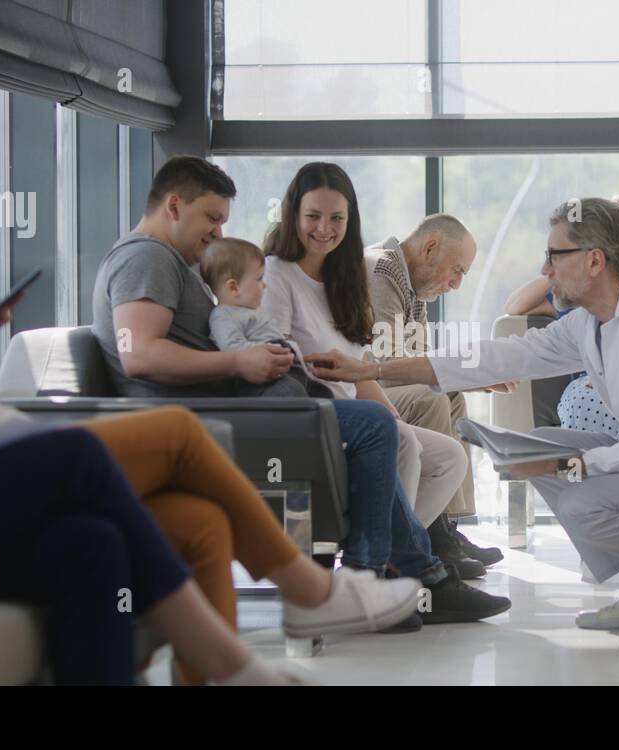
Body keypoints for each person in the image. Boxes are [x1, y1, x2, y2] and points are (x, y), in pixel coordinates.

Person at [0, 104, 423, 684]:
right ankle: (303, 597)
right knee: (152, 440)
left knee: (123, 540)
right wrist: (238, 361)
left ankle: (251, 649)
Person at [309, 197, 619, 636]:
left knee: (579, 500)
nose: (544, 270)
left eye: (554, 256)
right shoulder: (588, 323)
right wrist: (371, 369)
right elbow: (499, 356)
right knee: (536, 445)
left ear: (595, 260)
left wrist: (568, 465)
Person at [91, 155, 509, 624]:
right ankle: (391, 577)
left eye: (222, 220)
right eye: (212, 218)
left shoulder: (174, 263)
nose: (219, 233)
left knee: (384, 427)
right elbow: (139, 355)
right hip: (205, 424)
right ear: (173, 206)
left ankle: (387, 578)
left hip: (221, 414)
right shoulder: (146, 257)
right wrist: (241, 361)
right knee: (376, 427)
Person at [260, 161, 500, 585]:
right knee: (406, 428)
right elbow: (280, 362)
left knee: (449, 455)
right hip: (319, 413)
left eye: (336, 218)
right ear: (293, 214)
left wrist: (390, 409)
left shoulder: (342, 278)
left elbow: (362, 366)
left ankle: (396, 554)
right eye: (313, 216)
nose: (324, 229)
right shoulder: (286, 275)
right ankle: (389, 567)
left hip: (357, 402)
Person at [366, 213, 505, 568]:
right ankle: (436, 536)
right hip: (366, 390)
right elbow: (390, 366)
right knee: (430, 397)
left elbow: (421, 363)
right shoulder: (383, 270)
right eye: (456, 270)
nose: (456, 284)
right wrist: (465, 374)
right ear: (429, 248)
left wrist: (465, 377)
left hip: (380, 386)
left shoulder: (409, 282)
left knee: (451, 395)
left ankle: (447, 527)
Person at [503, 194, 619, 439]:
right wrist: (563, 265)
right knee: (583, 403)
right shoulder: (585, 286)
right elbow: (514, 306)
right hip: (590, 389)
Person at [198, 236, 332, 398]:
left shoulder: (253, 310)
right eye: (259, 279)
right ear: (234, 288)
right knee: (290, 392)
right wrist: (267, 350)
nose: (265, 284)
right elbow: (231, 347)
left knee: (323, 393)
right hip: (261, 380)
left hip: (288, 371)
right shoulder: (223, 316)